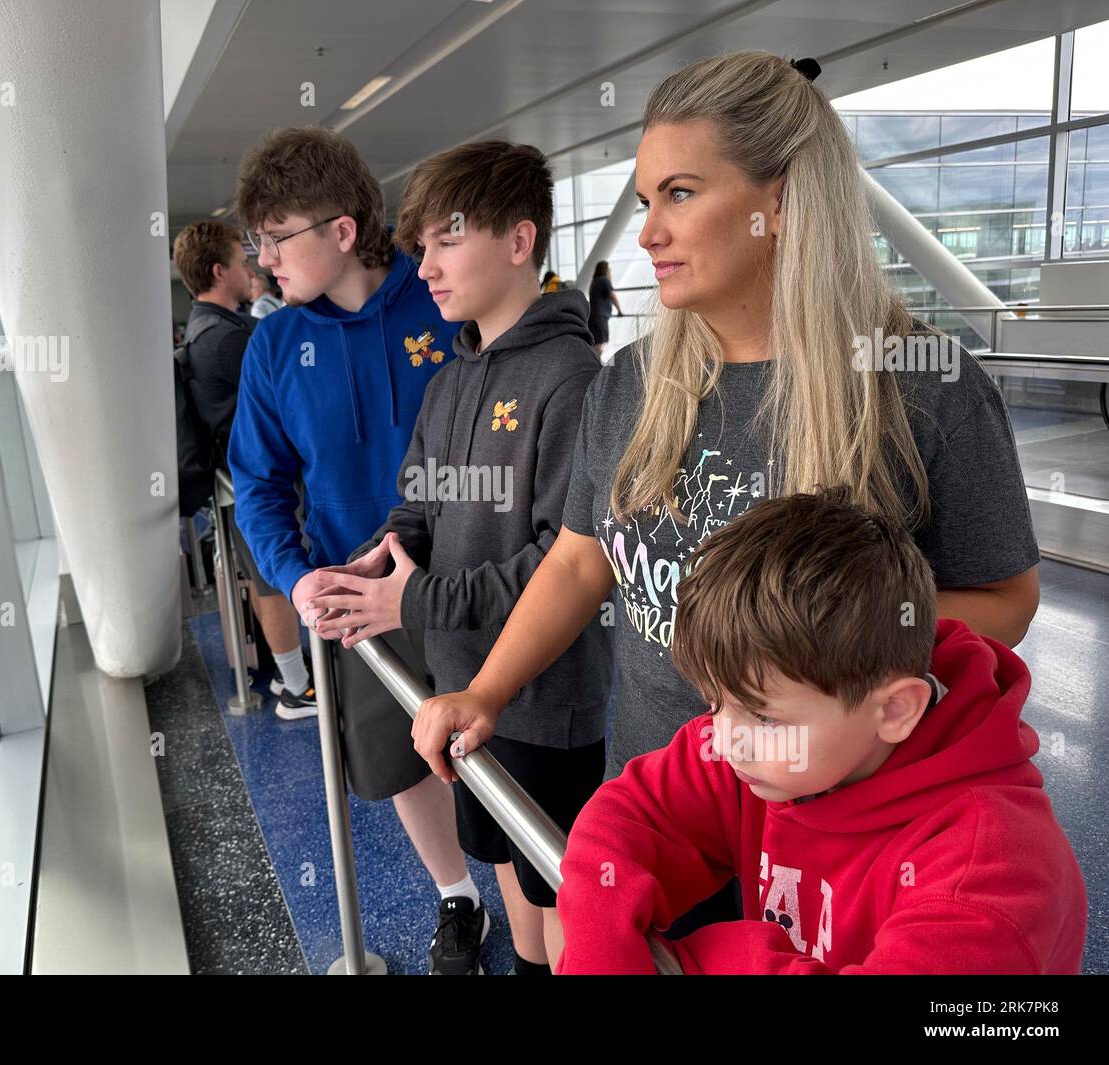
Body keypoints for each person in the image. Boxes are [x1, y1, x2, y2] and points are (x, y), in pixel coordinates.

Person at [409, 51, 1041, 937]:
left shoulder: (919, 385)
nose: (649, 234)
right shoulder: (630, 385)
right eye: (644, 201)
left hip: (836, 826)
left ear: (780, 201)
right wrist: (488, 690)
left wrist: (828, 637)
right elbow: (582, 562)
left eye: (679, 194)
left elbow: (1008, 599)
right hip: (666, 805)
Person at [555, 487, 1087, 974]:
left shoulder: (991, 872)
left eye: (764, 717)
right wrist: (603, 948)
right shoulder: (775, 744)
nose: (724, 739)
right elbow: (629, 818)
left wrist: (704, 962)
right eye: (714, 701)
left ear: (896, 710)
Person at [307, 140, 611, 975]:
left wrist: (417, 602)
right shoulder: (450, 379)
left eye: (448, 240)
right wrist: (372, 566)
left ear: (519, 241)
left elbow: (565, 562)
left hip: (543, 699)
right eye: (421, 246)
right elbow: (417, 508)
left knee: (558, 890)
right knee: (506, 865)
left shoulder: (572, 380)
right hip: (460, 686)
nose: (427, 267)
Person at [226, 126, 479, 971]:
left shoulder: (442, 295)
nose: (263, 260)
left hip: (476, 582)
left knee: (507, 750)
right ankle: (457, 895)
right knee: (401, 761)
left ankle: (536, 905)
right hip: (359, 600)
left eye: (276, 237)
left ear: (342, 229)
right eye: (255, 241)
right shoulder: (273, 349)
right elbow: (258, 484)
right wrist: (297, 579)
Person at [172, 220, 316, 717]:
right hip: (250, 484)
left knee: (262, 578)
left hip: (233, 484)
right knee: (272, 581)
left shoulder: (204, 329)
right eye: (240, 261)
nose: (251, 267)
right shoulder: (226, 341)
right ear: (218, 271)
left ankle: (290, 676)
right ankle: (297, 688)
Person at [587, 260, 623, 355]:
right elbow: (613, 296)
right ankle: (595, 363)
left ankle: (594, 361)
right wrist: (619, 311)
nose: (610, 271)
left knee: (596, 342)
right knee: (600, 343)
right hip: (600, 317)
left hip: (593, 316)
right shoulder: (604, 280)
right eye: (608, 269)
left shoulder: (594, 281)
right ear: (605, 270)